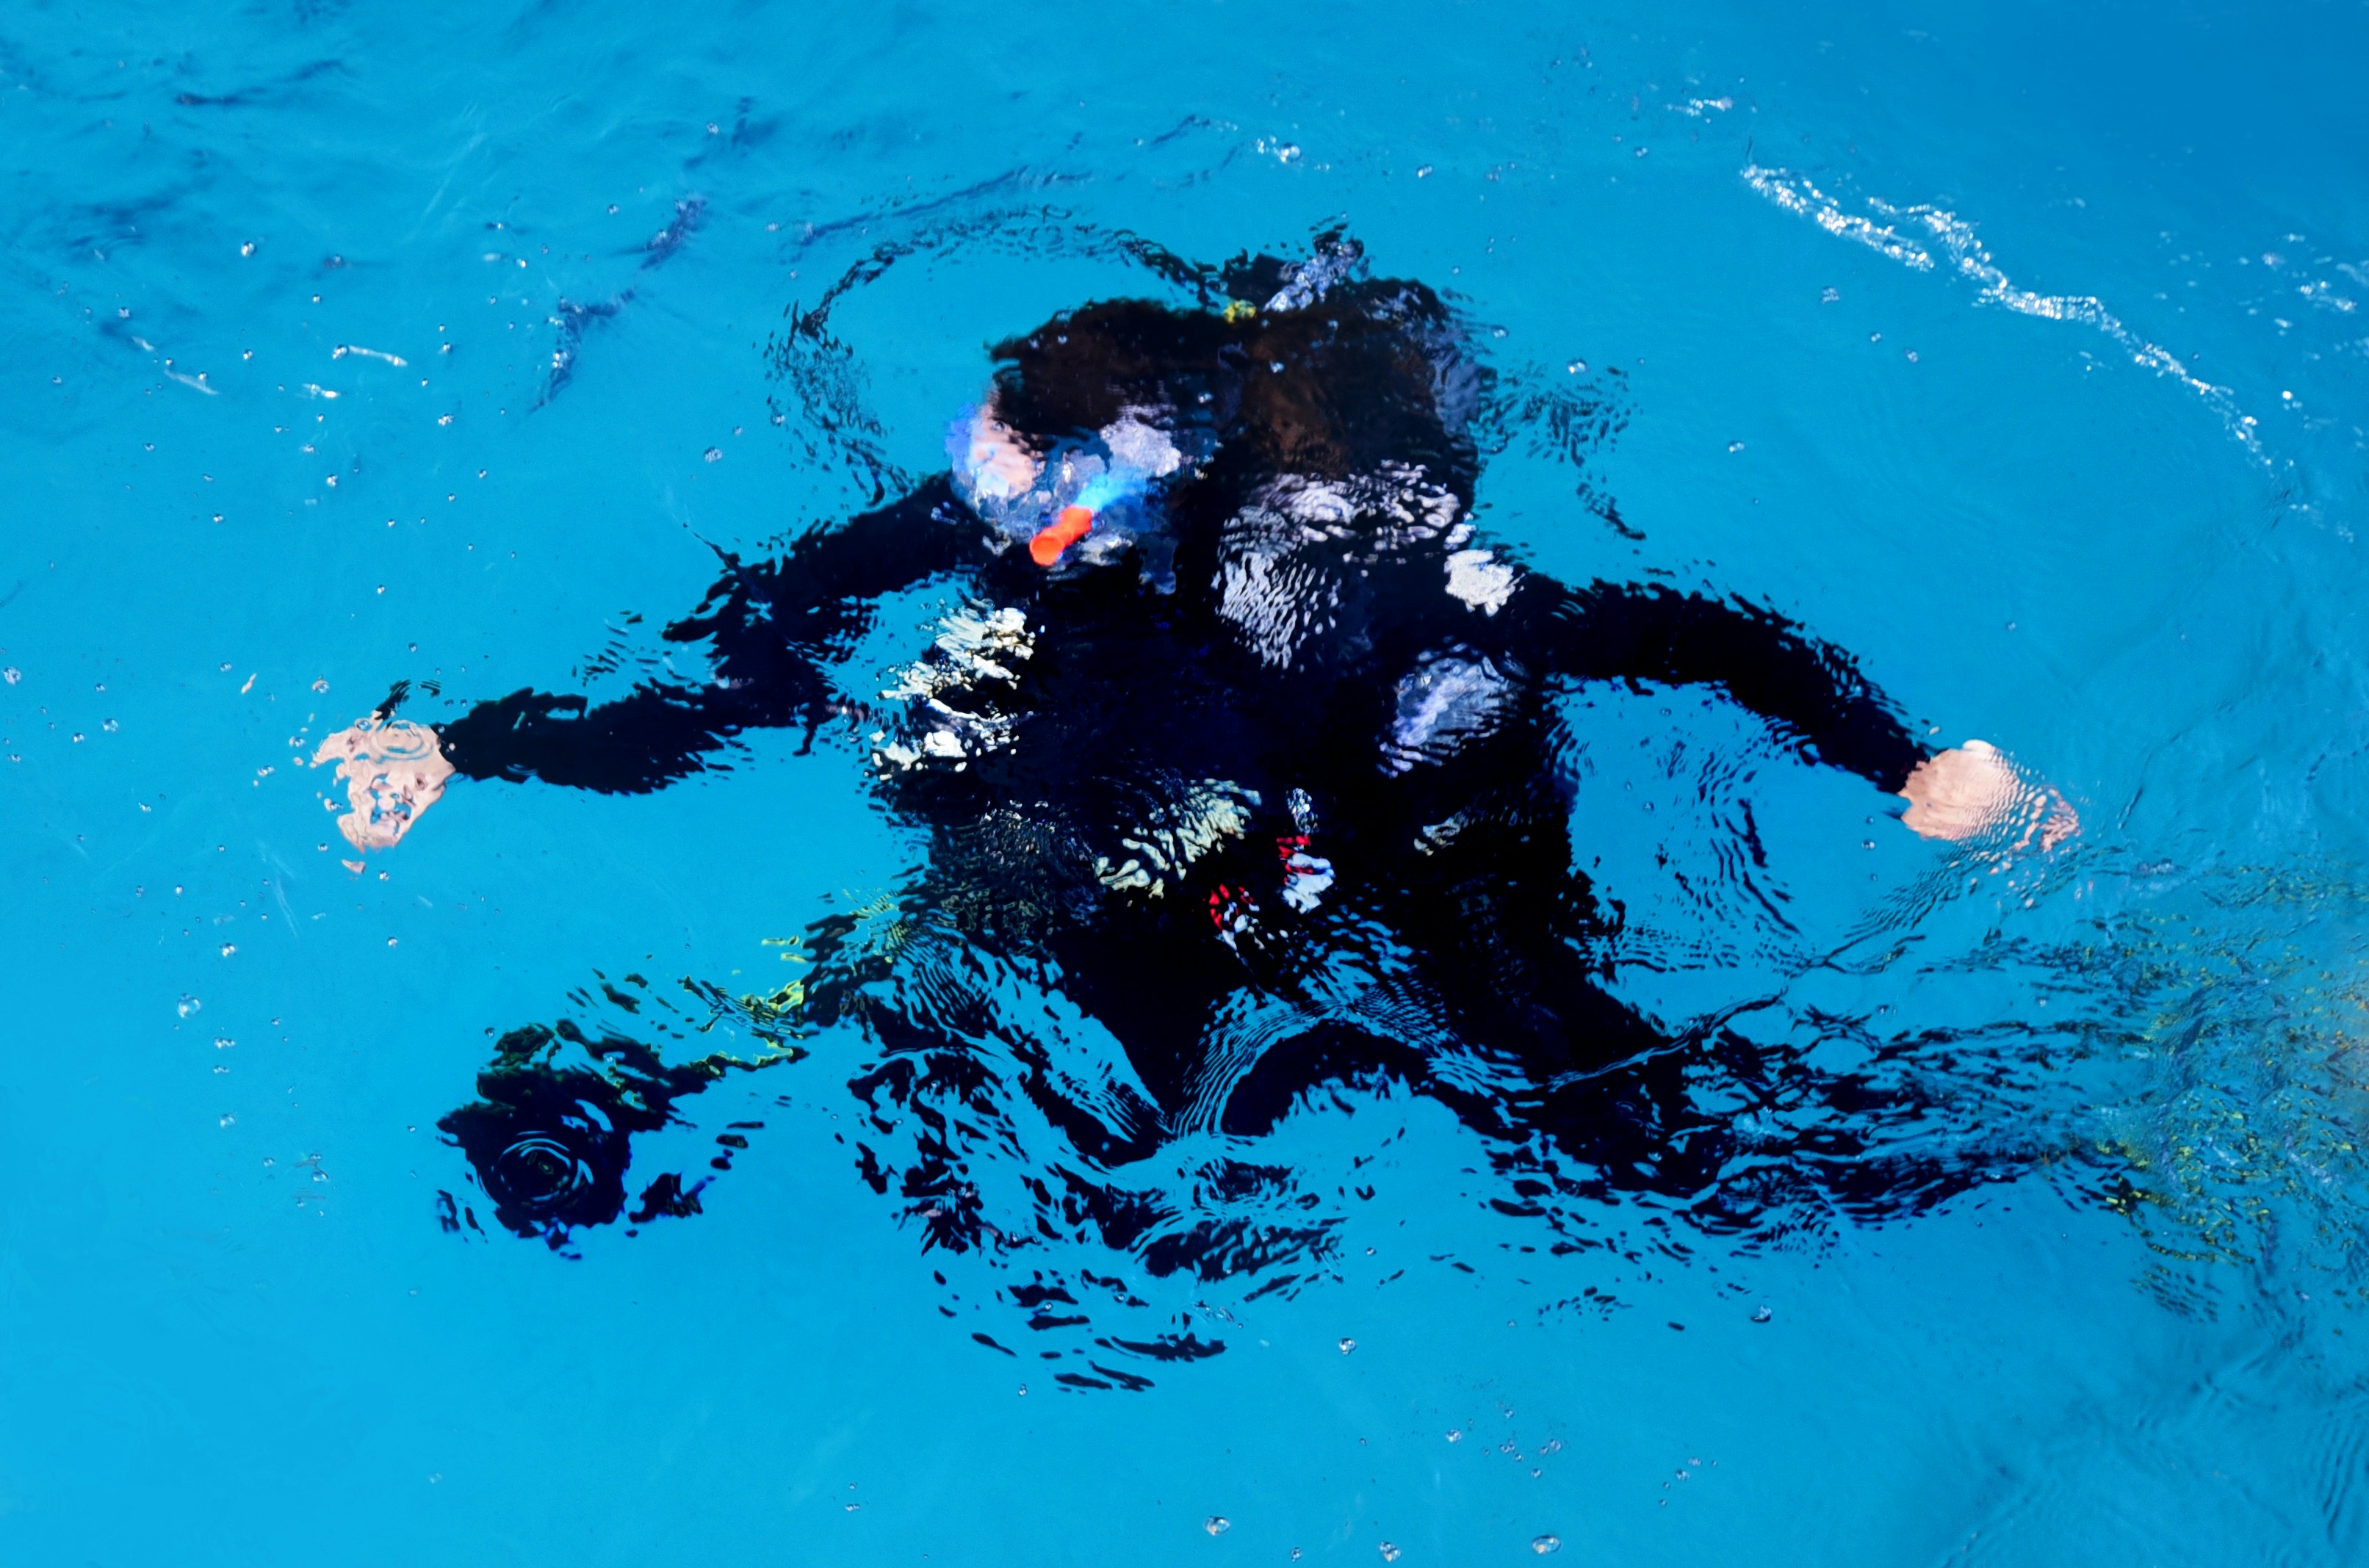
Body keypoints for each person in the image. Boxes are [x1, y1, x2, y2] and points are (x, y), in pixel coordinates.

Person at [328, 238, 2074, 1246]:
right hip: (1193, 835)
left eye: (1032, 486)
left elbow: (1685, 635)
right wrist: (476, 747)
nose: (1000, 510)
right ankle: (706, 1070)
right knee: (1023, 907)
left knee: (1573, 1102)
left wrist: (1903, 762)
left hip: (1337, 840)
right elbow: (754, 661)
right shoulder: (1090, 527)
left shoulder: (1320, 563)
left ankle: (2039, 1141)